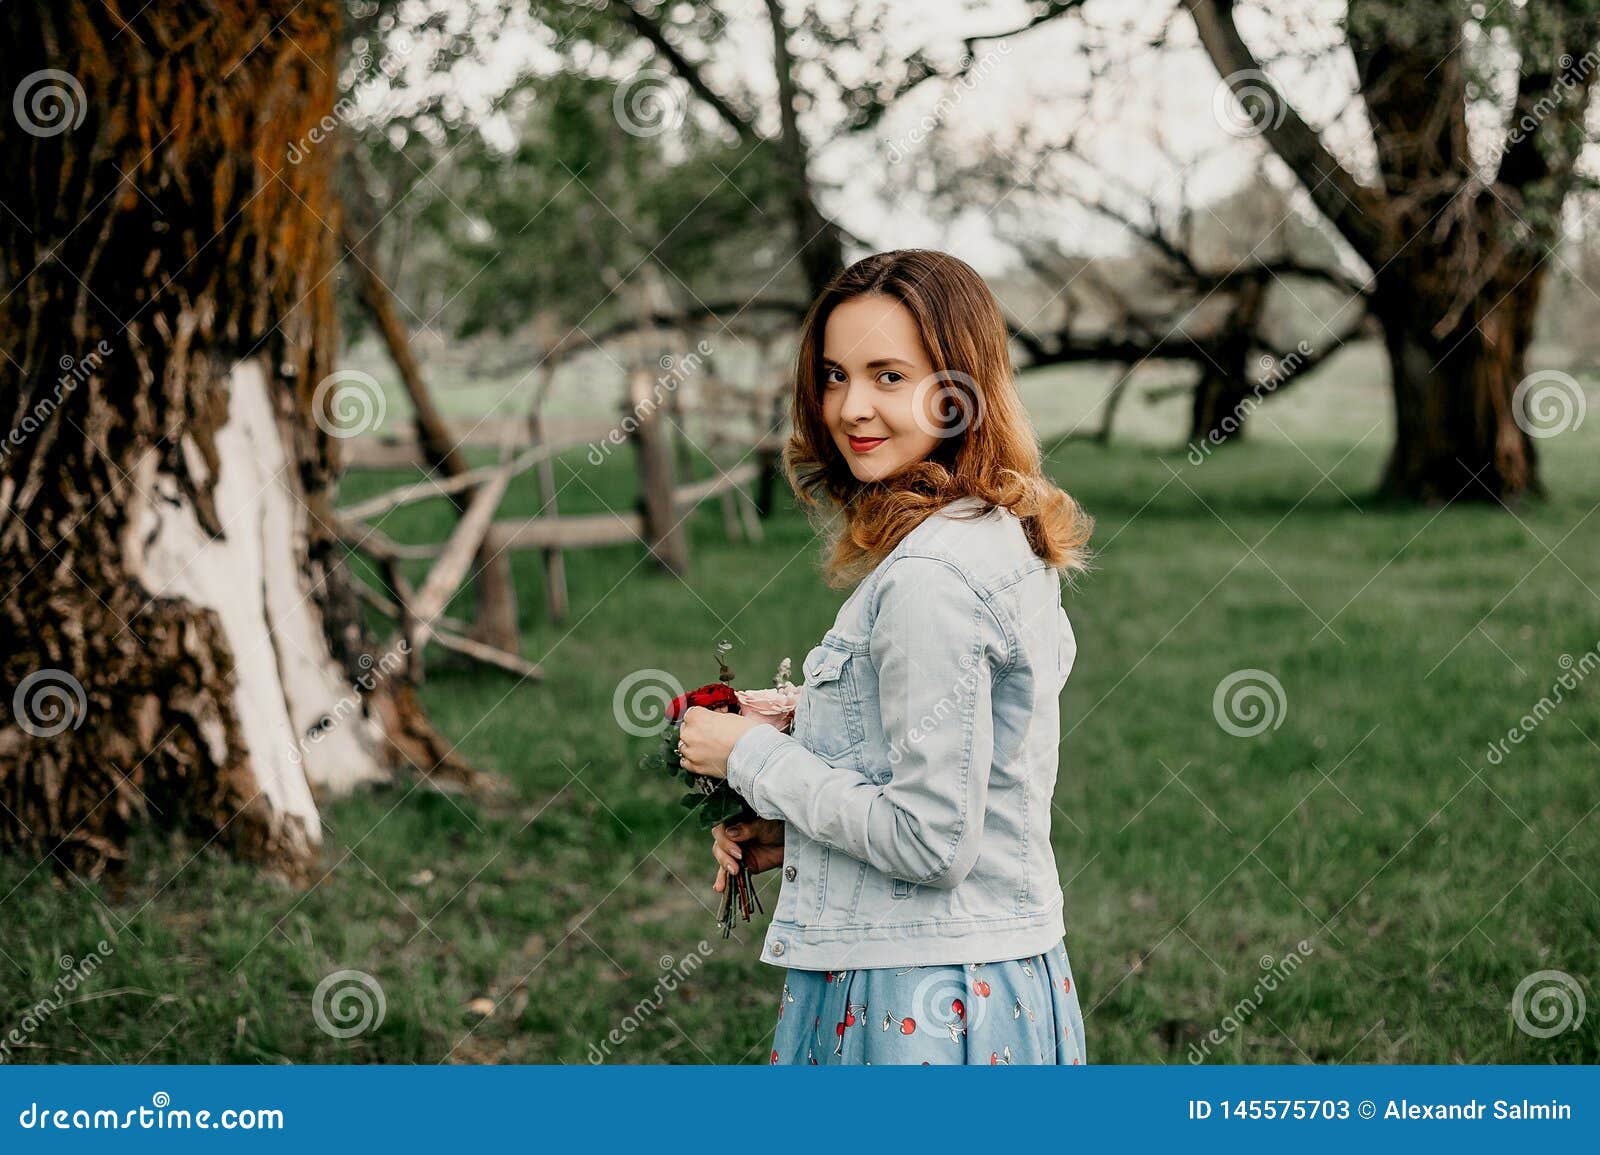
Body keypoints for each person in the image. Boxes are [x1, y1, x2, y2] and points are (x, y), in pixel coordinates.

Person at [676, 248, 1095, 1065]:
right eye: (834, 375)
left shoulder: (931, 578)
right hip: (995, 968)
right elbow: (972, 774)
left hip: (921, 998)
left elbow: (932, 843)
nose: (851, 407)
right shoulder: (994, 532)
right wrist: (800, 832)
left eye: (888, 375)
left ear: (958, 386)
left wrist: (752, 755)